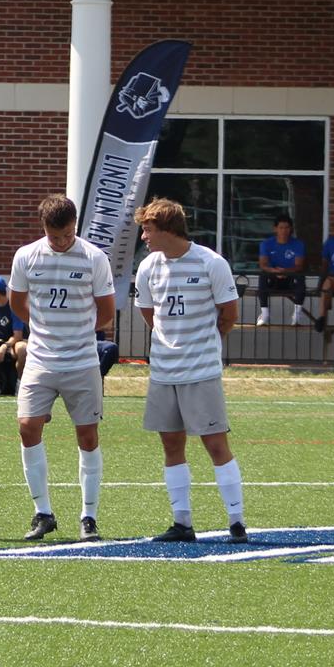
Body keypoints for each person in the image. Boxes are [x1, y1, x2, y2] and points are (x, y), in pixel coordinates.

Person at [133, 198, 246, 543]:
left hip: (201, 371)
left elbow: (229, 314)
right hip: (164, 372)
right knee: (171, 445)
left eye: (148, 229)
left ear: (167, 229)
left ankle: (237, 522)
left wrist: (202, 342)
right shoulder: (149, 267)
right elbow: (149, 314)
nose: (143, 237)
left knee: (215, 443)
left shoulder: (212, 263)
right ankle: (182, 522)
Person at [8, 194, 115, 542]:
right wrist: (43, 328)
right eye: (55, 236)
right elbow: (17, 302)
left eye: (67, 234)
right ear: (44, 228)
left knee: (87, 435)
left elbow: (107, 310)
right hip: (40, 358)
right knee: (27, 426)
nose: (61, 241)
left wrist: (78, 333)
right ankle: (43, 512)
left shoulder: (94, 257)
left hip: (83, 360)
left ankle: (89, 515)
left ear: (75, 226)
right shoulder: (26, 255)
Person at [255, 215, 310, 326]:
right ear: (275, 229)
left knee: (300, 276)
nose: (284, 231)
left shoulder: (298, 244)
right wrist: (275, 271)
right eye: (281, 228)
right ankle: (264, 314)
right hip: (273, 277)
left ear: (291, 229)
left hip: (290, 277)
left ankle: (297, 316)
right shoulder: (266, 244)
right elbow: (263, 264)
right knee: (263, 275)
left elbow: (299, 265)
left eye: (287, 228)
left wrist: (286, 271)